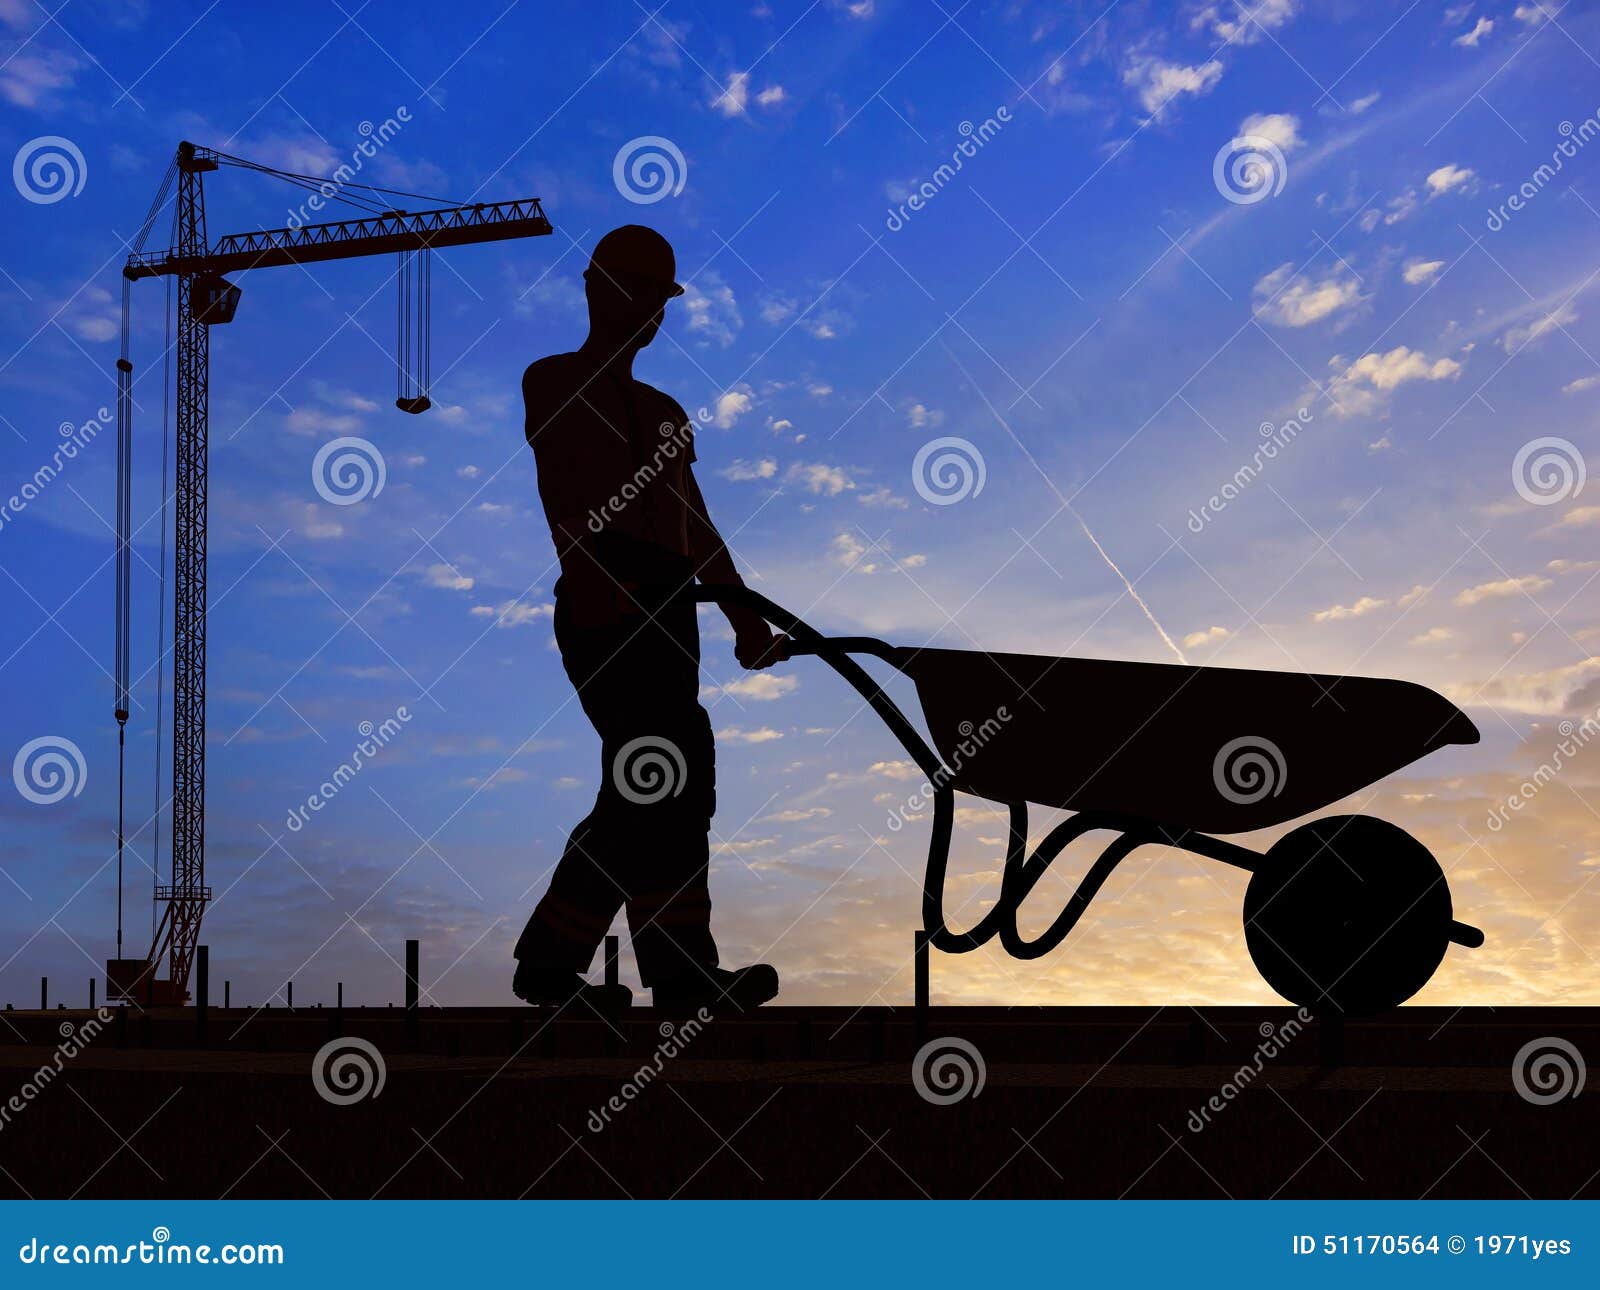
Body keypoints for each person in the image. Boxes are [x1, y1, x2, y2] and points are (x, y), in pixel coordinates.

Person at [513, 225, 788, 1013]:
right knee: (658, 772)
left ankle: (589, 967)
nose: (648, 314)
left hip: (666, 608)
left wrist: (742, 613)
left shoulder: (665, 411)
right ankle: (662, 971)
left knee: (665, 782)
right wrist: (597, 581)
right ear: (597, 289)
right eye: (635, 292)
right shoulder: (554, 381)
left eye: (657, 301)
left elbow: (693, 521)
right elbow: (565, 494)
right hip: (606, 601)